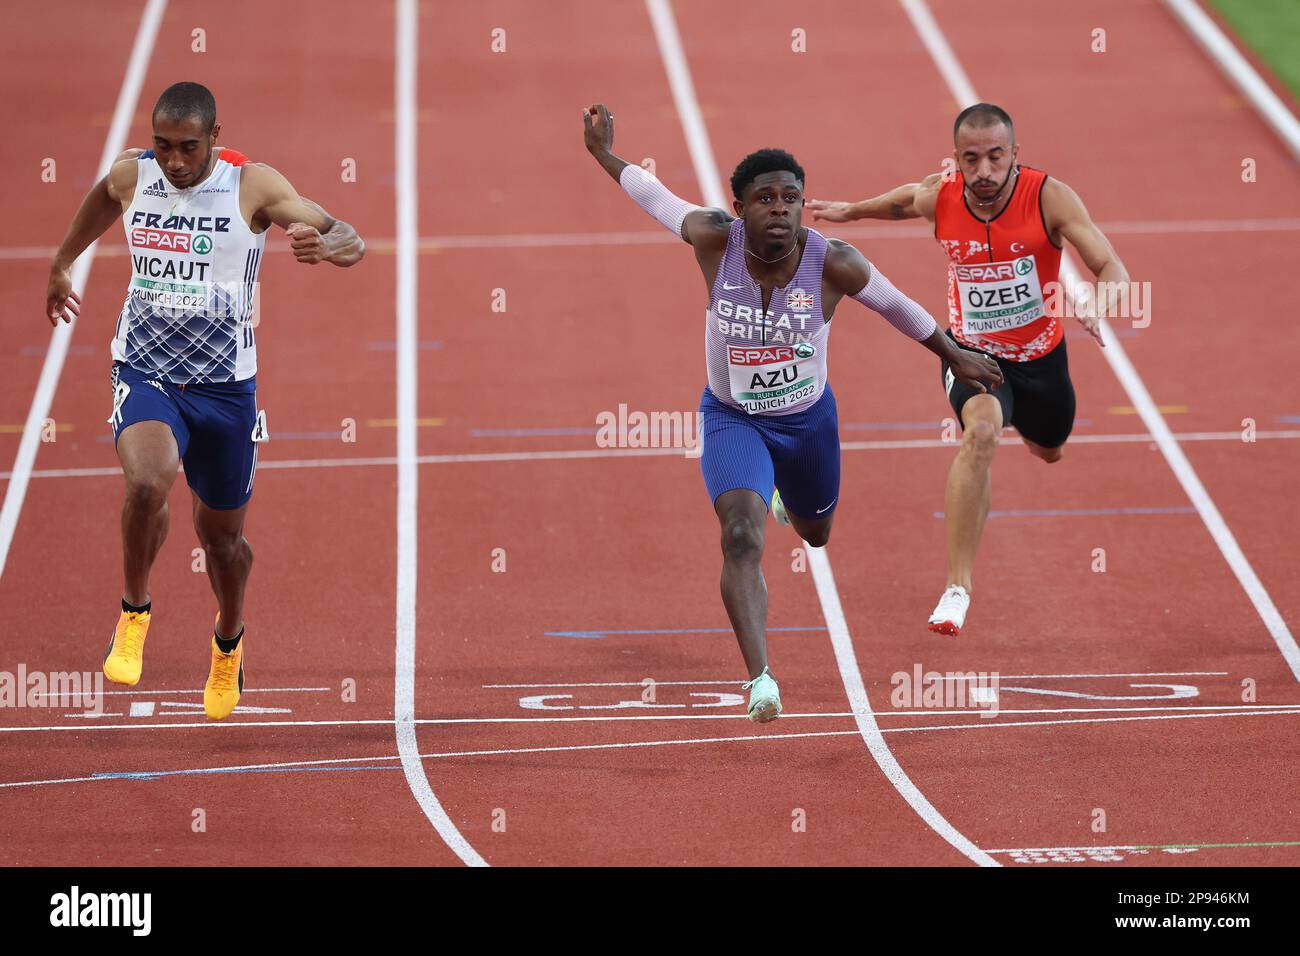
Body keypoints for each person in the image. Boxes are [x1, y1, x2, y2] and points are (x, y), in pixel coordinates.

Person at [583, 103, 1001, 721]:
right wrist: (603, 153)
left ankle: (787, 498)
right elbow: (654, 194)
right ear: (740, 207)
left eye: (790, 199)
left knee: (816, 533)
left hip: (808, 423)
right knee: (741, 535)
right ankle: (760, 680)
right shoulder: (711, 240)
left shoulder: (834, 261)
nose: (780, 209)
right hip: (734, 419)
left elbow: (897, 306)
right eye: (765, 199)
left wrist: (955, 355)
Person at [44, 81, 365, 720]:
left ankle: (228, 639)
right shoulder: (134, 175)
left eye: (188, 148)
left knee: (222, 542)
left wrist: (324, 247)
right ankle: (135, 610)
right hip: (147, 372)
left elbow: (350, 238)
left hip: (225, 391)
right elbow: (104, 198)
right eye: (163, 146)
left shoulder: (253, 185)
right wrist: (62, 261)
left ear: (215, 137)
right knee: (148, 481)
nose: (175, 162)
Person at [808, 103, 1131, 637]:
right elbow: (902, 201)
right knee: (980, 434)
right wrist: (851, 211)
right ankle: (957, 588)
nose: (984, 171)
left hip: (1042, 359)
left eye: (996, 157)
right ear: (957, 159)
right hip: (972, 356)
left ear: (1014, 156)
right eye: (971, 159)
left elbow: (1109, 263)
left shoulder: (1049, 196)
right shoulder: (942, 195)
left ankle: (1036, 433)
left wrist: (1103, 299)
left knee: (1049, 449)